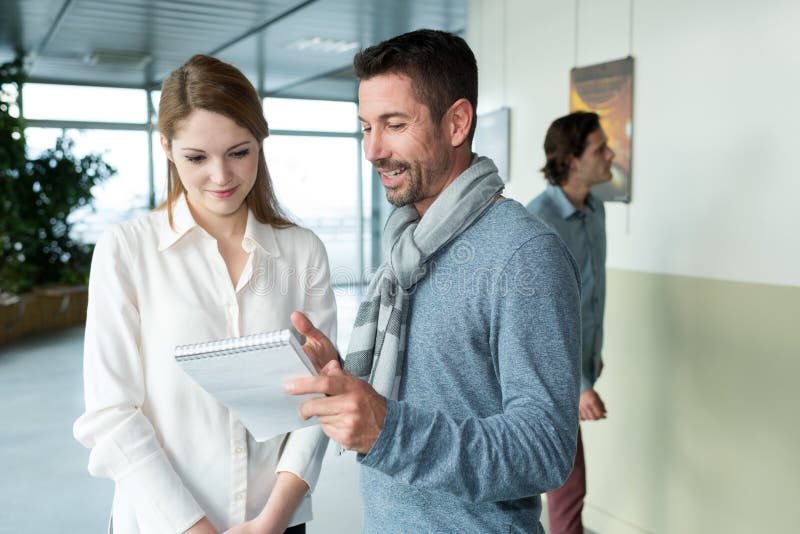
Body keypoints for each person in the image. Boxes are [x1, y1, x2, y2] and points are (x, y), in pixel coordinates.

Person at [284, 29, 581, 533]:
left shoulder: (524, 255)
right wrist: (345, 378)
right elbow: (430, 391)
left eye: (394, 125)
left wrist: (389, 431)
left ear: (457, 123)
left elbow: (546, 449)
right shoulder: (406, 245)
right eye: (365, 127)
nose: (373, 150)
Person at [73, 55, 336, 534]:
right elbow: (111, 414)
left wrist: (272, 521)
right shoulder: (127, 251)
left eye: (239, 152)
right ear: (167, 148)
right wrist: (195, 528)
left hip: (275, 521)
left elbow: (321, 397)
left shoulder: (303, 252)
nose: (221, 177)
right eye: (197, 157)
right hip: (161, 523)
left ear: (261, 141)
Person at [526, 111, 614, 534]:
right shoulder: (538, 221)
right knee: (567, 485)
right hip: (547, 376)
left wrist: (590, 359)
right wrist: (578, 385)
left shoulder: (596, 211)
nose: (611, 154)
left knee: (566, 486)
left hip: (577, 369)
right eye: (600, 148)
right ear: (573, 160)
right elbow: (537, 317)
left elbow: (589, 295)